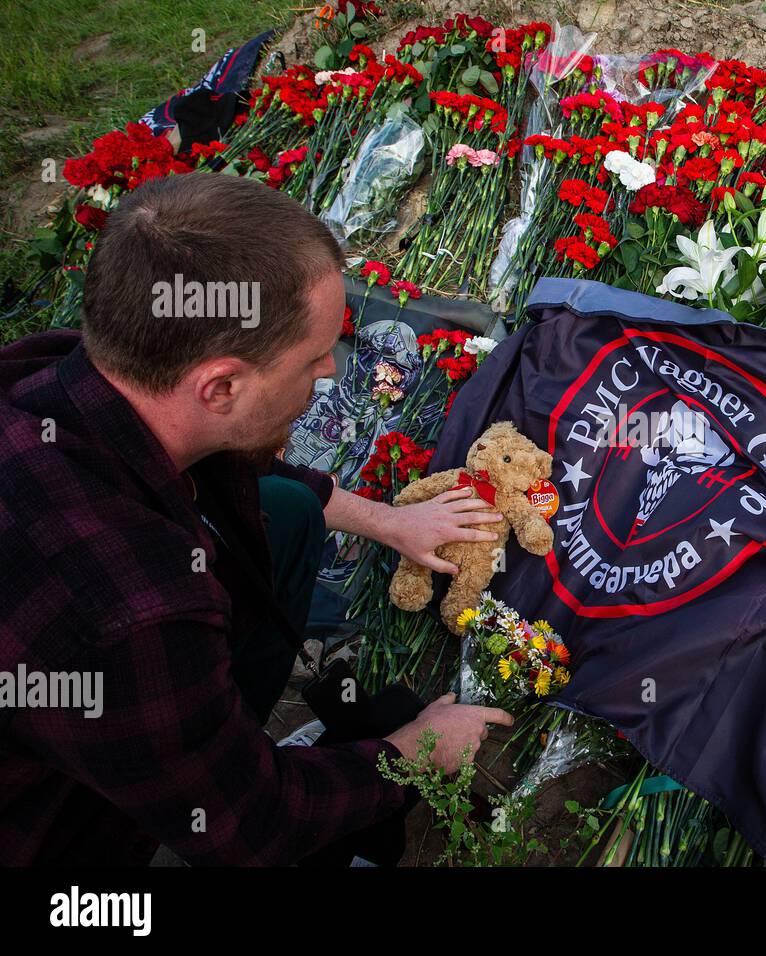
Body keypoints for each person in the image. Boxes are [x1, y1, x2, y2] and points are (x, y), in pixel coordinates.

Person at [0, 172, 512, 865]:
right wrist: (415, 751)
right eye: (311, 359)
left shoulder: (66, 372)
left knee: (290, 509)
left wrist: (390, 523)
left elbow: (248, 466)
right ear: (221, 386)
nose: (331, 370)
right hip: (58, 834)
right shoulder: (135, 608)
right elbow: (249, 825)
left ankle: (223, 736)